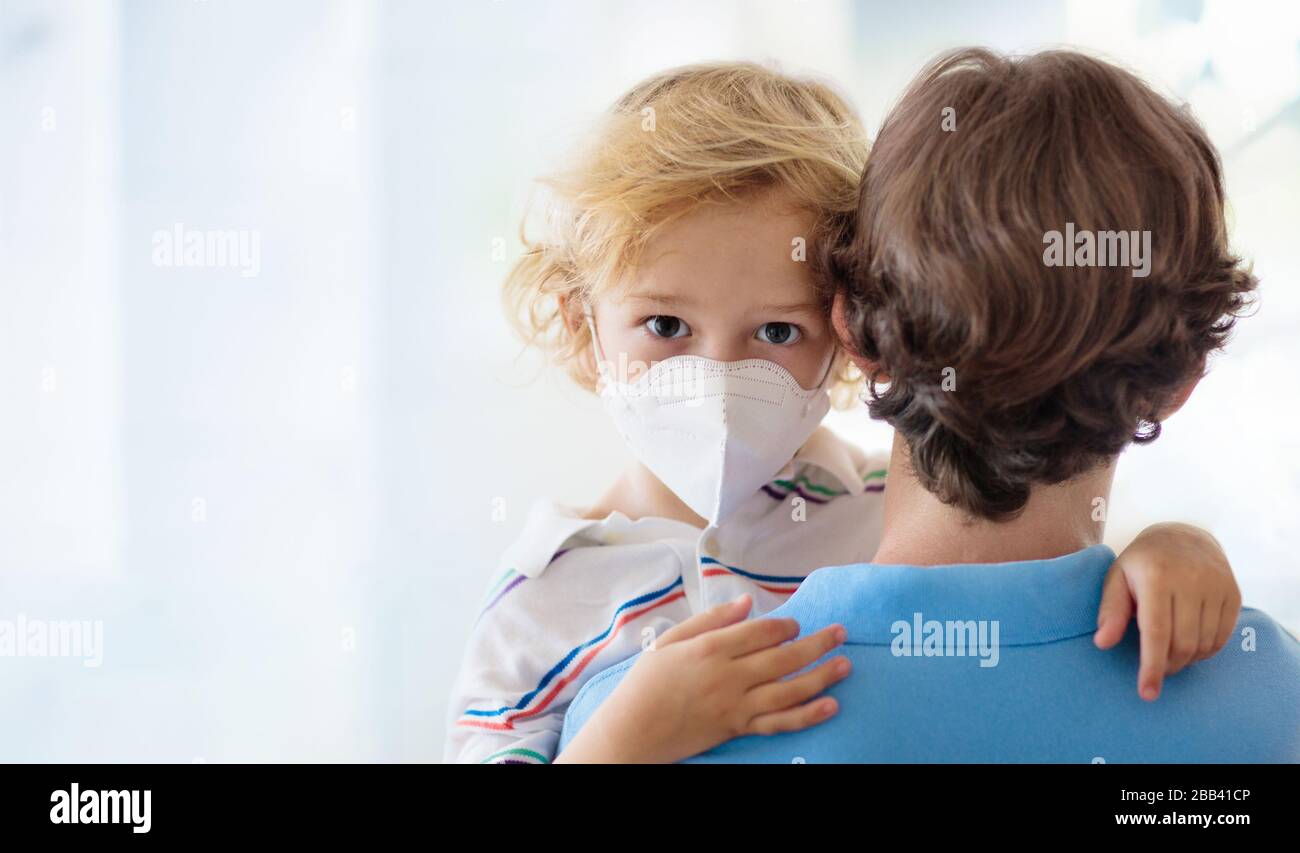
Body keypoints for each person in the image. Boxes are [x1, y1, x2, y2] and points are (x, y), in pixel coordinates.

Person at [447, 60, 1244, 765]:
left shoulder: (893, 511)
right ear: (583, 326)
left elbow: (1053, 560)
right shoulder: (543, 596)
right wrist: (624, 740)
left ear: (844, 332)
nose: (720, 375)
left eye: (776, 331)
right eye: (666, 326)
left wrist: (1173, 547)